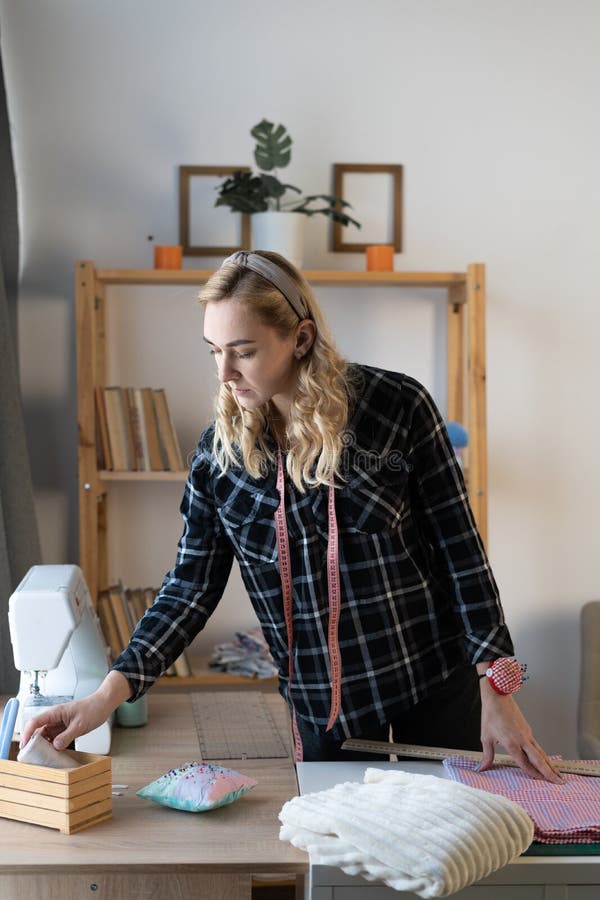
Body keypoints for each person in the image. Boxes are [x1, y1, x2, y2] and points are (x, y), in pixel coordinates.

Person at [22, 250, 560, 781]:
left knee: (454, 848)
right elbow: (189, 588)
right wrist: (104, 697)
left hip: (434, 688)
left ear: (300, 339)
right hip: (323, 713)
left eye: (244, 351)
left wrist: (500, 688)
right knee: (338, 863)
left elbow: (461, 553)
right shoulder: (219, 456)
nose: (226, 372)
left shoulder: (398, 407)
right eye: (214, 351)